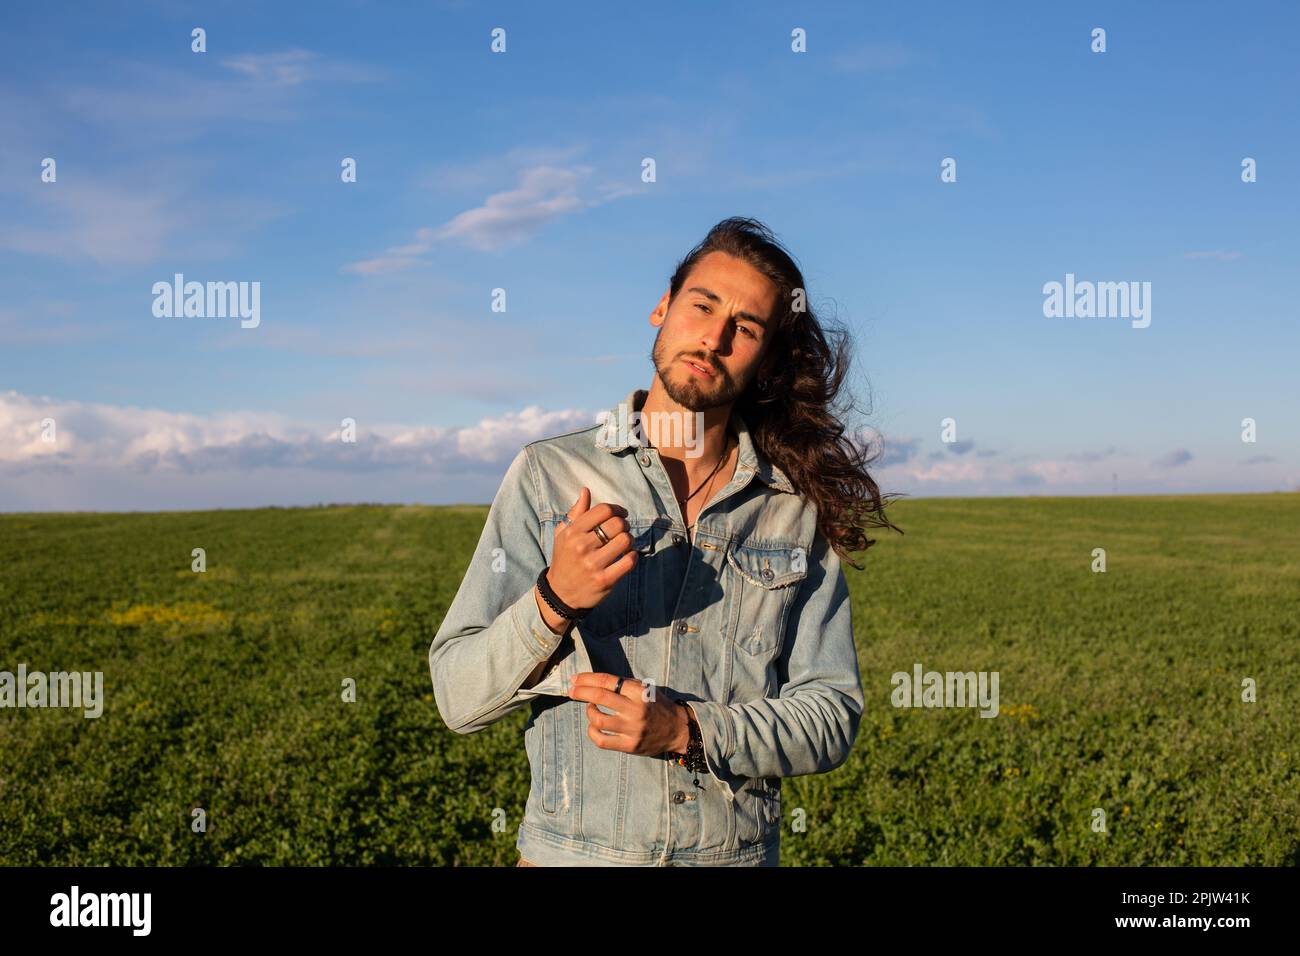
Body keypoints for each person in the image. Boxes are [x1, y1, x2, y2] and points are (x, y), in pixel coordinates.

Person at [429, 217, 900, 866]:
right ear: (663, 306)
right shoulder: (549, 476)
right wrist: (554, 599)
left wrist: (689, 730)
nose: (713, 337)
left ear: (764, 359)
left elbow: (831, 714)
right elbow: (458, 698)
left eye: (747, 327)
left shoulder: (792, 513)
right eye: (702, 305)